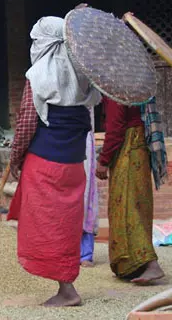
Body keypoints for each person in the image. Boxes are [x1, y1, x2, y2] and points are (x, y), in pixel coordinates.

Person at [7, 16, 101, 307]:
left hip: (45, 163)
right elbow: (85, 121)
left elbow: (25, 124)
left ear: (45, 43)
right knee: (66, 225)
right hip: (74, 164)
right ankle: (66, 283)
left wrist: (14, 159)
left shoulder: (37, 76)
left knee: (44, 225)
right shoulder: (83, 75)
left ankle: (67, 289)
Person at [96, 95, 167, 284]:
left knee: (128, 208)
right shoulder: (135, 87)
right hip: (139, 146)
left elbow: (116, 128)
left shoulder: (116, 91)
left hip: (128, 148)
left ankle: (151, 264)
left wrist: (103, 160)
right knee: (138, 204)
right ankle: (131, 266)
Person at [80, 108, 98, 267]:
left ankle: (85, 253)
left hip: (83, 137)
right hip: (62, 137)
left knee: (86, 195)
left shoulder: (90, 90)